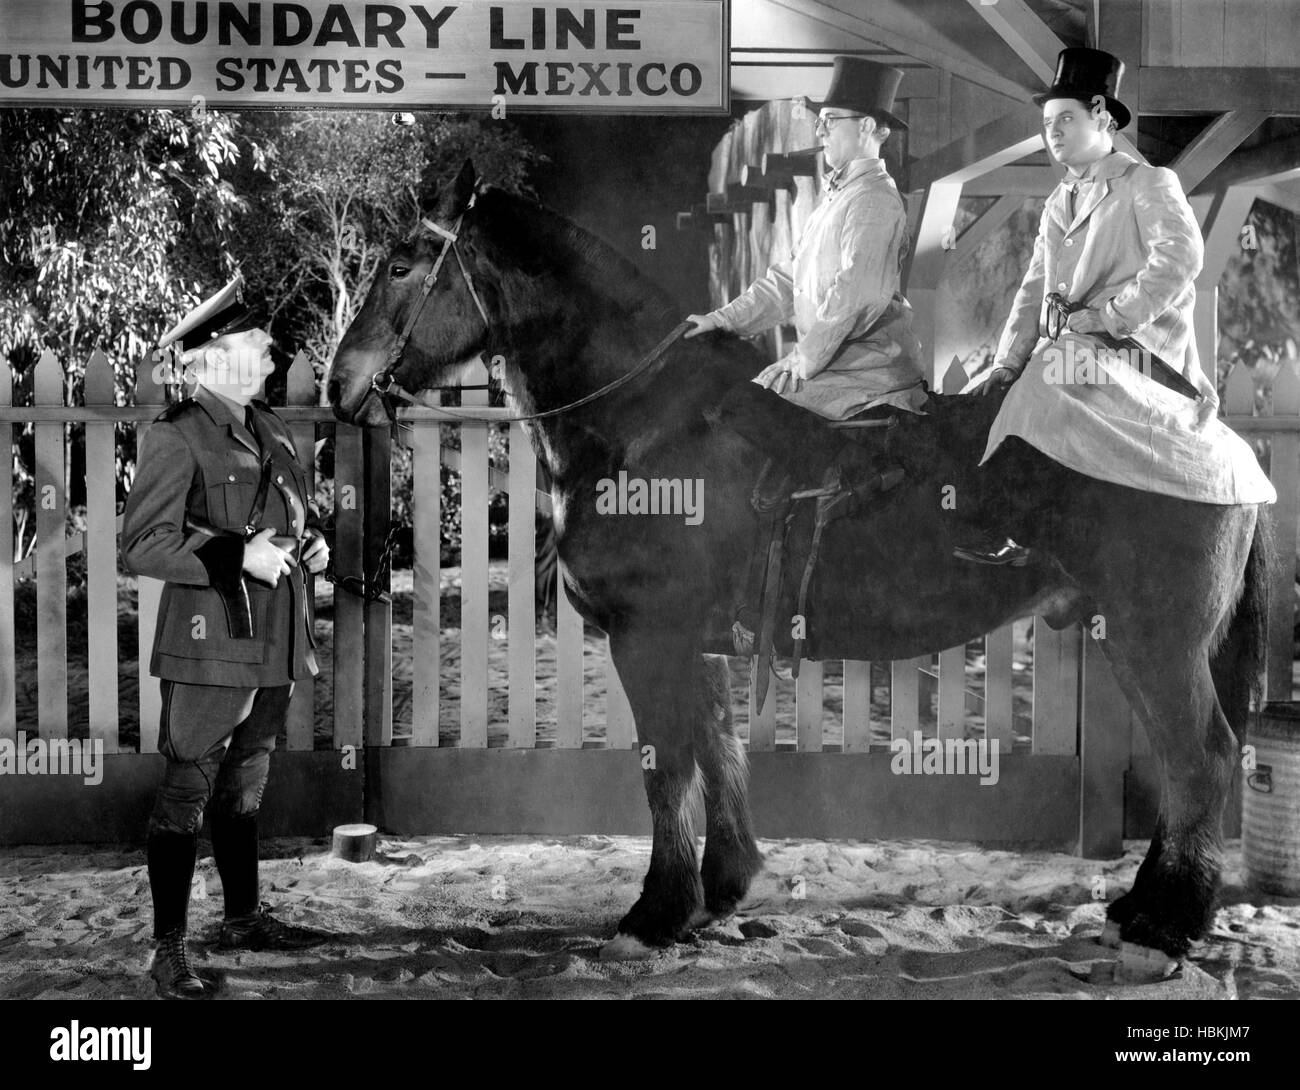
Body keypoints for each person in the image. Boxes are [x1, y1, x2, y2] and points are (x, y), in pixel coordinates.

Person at [956, 47, 1275, 566]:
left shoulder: (1147, 182)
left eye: (1066, 118)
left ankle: (1011, 525)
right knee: (985, 390)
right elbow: (1033, 288)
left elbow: (1181, 257)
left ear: (1102, 114)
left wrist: (1110, 317)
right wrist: (1005, 361)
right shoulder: (1059, 201)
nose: (1053, 132)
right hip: (1081, 350)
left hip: (1138, 351)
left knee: (1045, 381)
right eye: (1046, 123)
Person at [122, 275, 332, 999]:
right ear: (210, 359)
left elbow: (286, 520)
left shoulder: (269, 429)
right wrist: (235, 554)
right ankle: (168, 948)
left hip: (272, 642)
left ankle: (241, 919)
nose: (270, 352)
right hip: (210, 646)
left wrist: (311, 548)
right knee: (187, 790)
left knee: (246, 784)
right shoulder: (176, 436)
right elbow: (143, 545)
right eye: (253, 344)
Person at [686, 55, 927, 515]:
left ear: (870, 128)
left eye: (832, 120)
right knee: (743, 405)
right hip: (837, 366)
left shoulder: (874, 200)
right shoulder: (837, 198)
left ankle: (848, 477)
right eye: (822, 120)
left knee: (745, 408)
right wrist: (719, 322)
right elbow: (786, 280)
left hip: (868, 374)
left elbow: (859, 296)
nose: (820, 131)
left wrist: (803, 359)